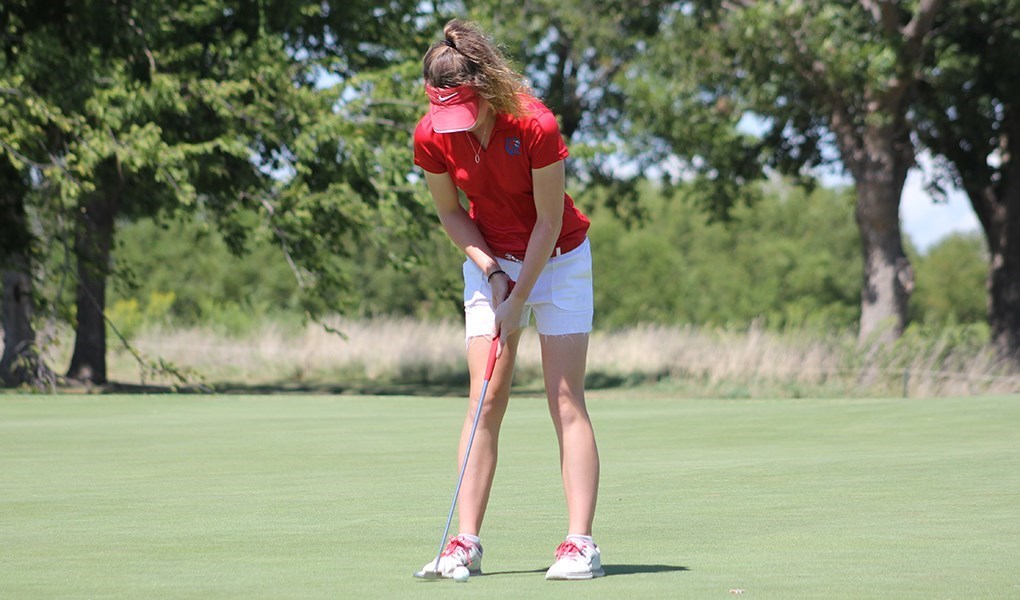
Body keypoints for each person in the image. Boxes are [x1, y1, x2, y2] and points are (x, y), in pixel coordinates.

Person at [412, 19, 603, 581]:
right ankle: (463, 542)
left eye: (463, 108)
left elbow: (548, 221)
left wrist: (520, 298)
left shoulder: (536, 125)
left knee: (565, 397)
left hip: (560, 259)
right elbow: (451, 212)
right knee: (484, 396)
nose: (452, 124)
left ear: (487, 86)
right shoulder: (431, 135)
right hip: (490, 259)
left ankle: (579, 544)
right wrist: (493, 273)